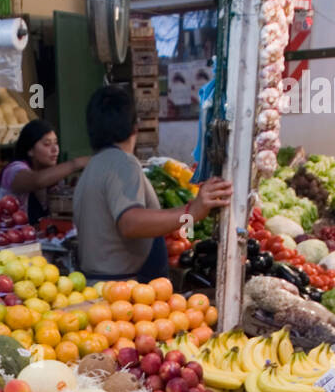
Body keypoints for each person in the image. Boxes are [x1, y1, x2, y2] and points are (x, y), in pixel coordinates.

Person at [73, 84, 231, 283]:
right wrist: (191, 212)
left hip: (100, 286)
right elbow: (130, 223)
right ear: (134, 128)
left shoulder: (92, 167)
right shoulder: (123, 163)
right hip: (122, 292)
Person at [0, 121, 88, 227]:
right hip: (9, 240)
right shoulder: (13, 170)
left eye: (56, 143)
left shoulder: (54, 176)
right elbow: (37, 181)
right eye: (47, 144)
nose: (55, 149)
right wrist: (75, 164)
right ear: (30, 150)